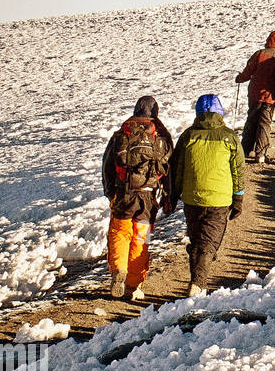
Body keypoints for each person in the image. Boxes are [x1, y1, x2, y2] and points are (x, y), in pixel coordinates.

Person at [169, 94, 244, 298]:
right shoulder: (229, 137)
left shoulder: (188, 136)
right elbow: (238, 170)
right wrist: (238, 198)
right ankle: (198, 284)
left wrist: (173, 195)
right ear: (220, 113)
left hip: (192, 199)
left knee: (197, 241)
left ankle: (196, 281)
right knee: (208, 244)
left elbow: (177, 169)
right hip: (219, 200)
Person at [101, 95, 173, 301]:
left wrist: (110, 194)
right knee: (141, 240)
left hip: (124, 195)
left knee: (119, 234)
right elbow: (169, 170)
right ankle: (134, 285)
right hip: (148, 199)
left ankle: (118, 271)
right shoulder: (161, 138)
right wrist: (168, 197)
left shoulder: (121, 134)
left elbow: (107, 167)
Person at [235, 30, 275, 163]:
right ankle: (260, 153)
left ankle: (245, 149)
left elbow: (248, 71)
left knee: (251, 120)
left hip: (255, 94)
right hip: (271, 95)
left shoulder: (259, 54)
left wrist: (239, 78)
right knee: (265, 123)